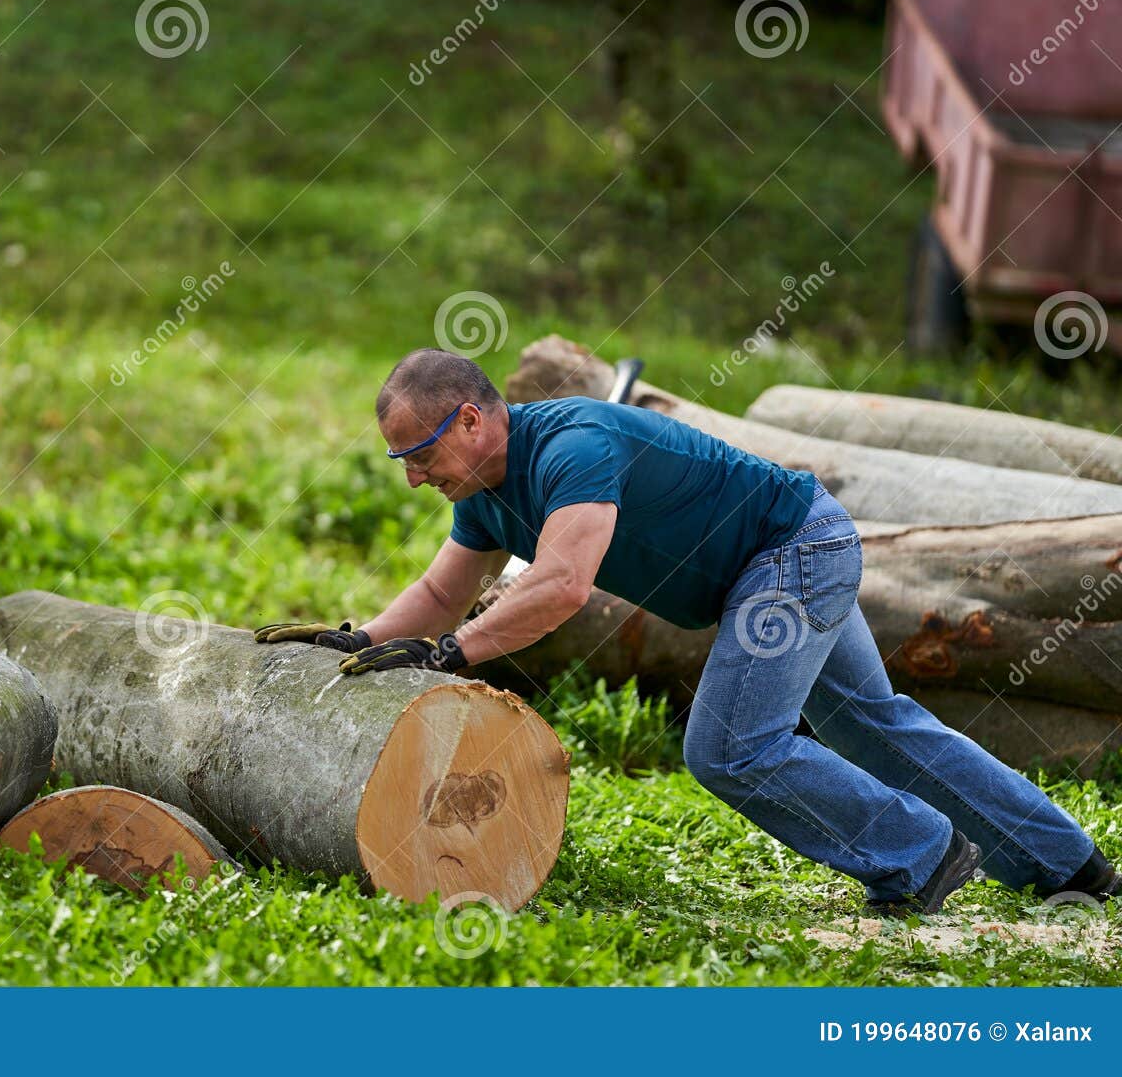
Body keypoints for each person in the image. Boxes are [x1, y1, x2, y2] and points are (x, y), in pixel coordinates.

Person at [254, 347, 1118, 914]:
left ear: (471, 420)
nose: (412, 478)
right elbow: (443, 590)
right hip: (788, 551)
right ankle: (1069, 861)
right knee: (875, 724)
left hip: (792, 554)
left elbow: (561, 585)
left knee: (730, 747)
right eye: (401, 461)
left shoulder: (573, 447)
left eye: (420, 455)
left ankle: (921, 855)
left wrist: (453, 655)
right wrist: (358, 637)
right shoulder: (481, 491)